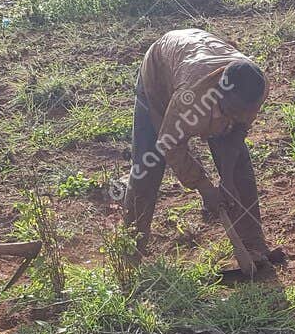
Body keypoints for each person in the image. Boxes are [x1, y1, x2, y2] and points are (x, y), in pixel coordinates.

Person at [121, 28, 282, 272]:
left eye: (245, 112)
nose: (241, 117)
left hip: (196, 60)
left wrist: (227, 179)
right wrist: (205, 187)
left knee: (240, 170)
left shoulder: (256, 86)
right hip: (158, 78)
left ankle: (253, 247)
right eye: (234, 111)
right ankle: (130, 252)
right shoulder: (189, 98)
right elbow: (169, 144)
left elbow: (238, 131)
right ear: (220, 93)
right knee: (147, 166)